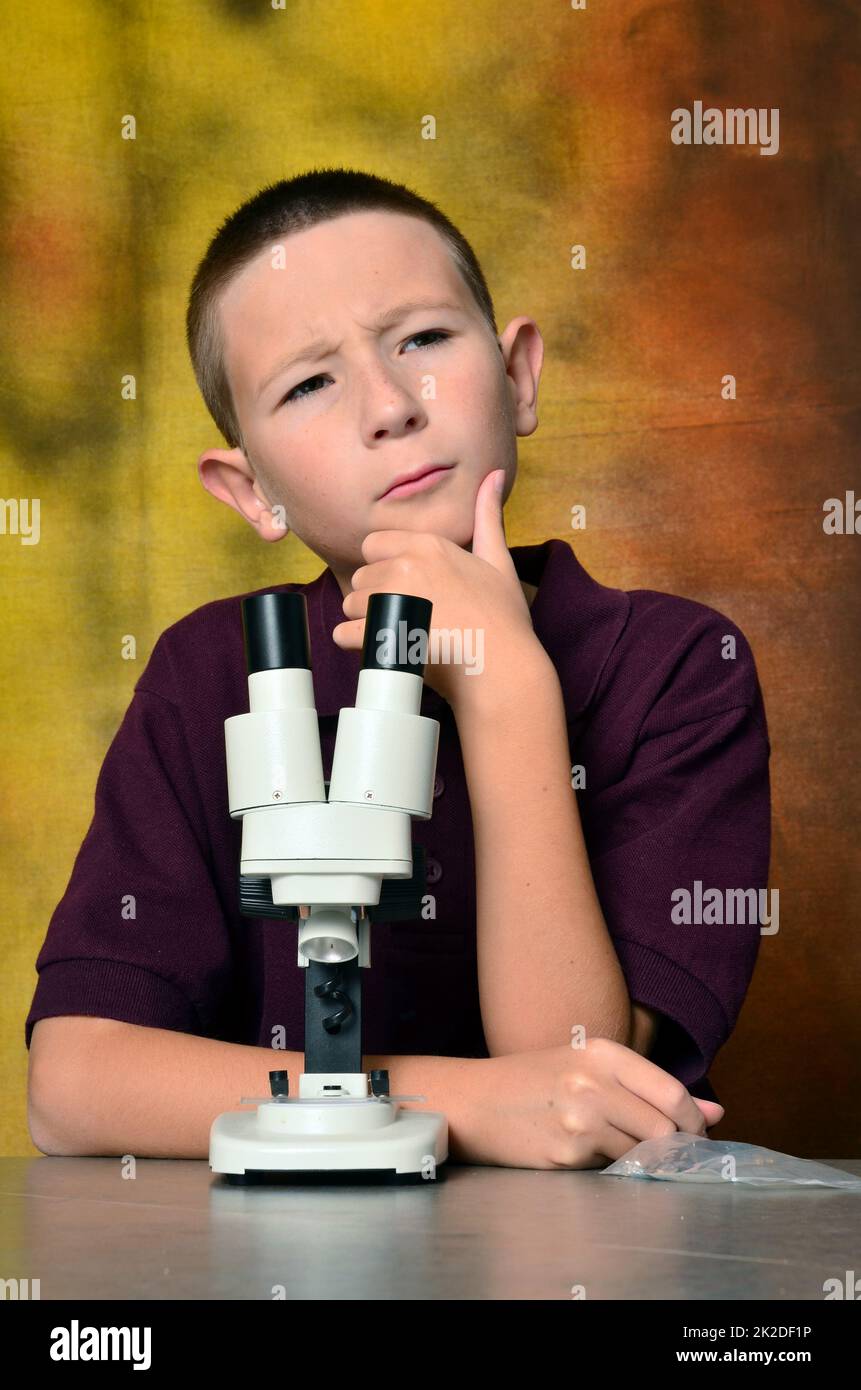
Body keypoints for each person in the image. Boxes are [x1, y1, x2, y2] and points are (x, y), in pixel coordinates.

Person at [26, 168, 771, 1169]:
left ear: (519, 377)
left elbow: (581, 1090)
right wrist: (450, 1100)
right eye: (309, 382)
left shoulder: (679, 666)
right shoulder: (209, 677)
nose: (389, 406)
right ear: (251, 493)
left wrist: (506, 686)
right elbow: (72, 1086)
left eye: (422, 339)